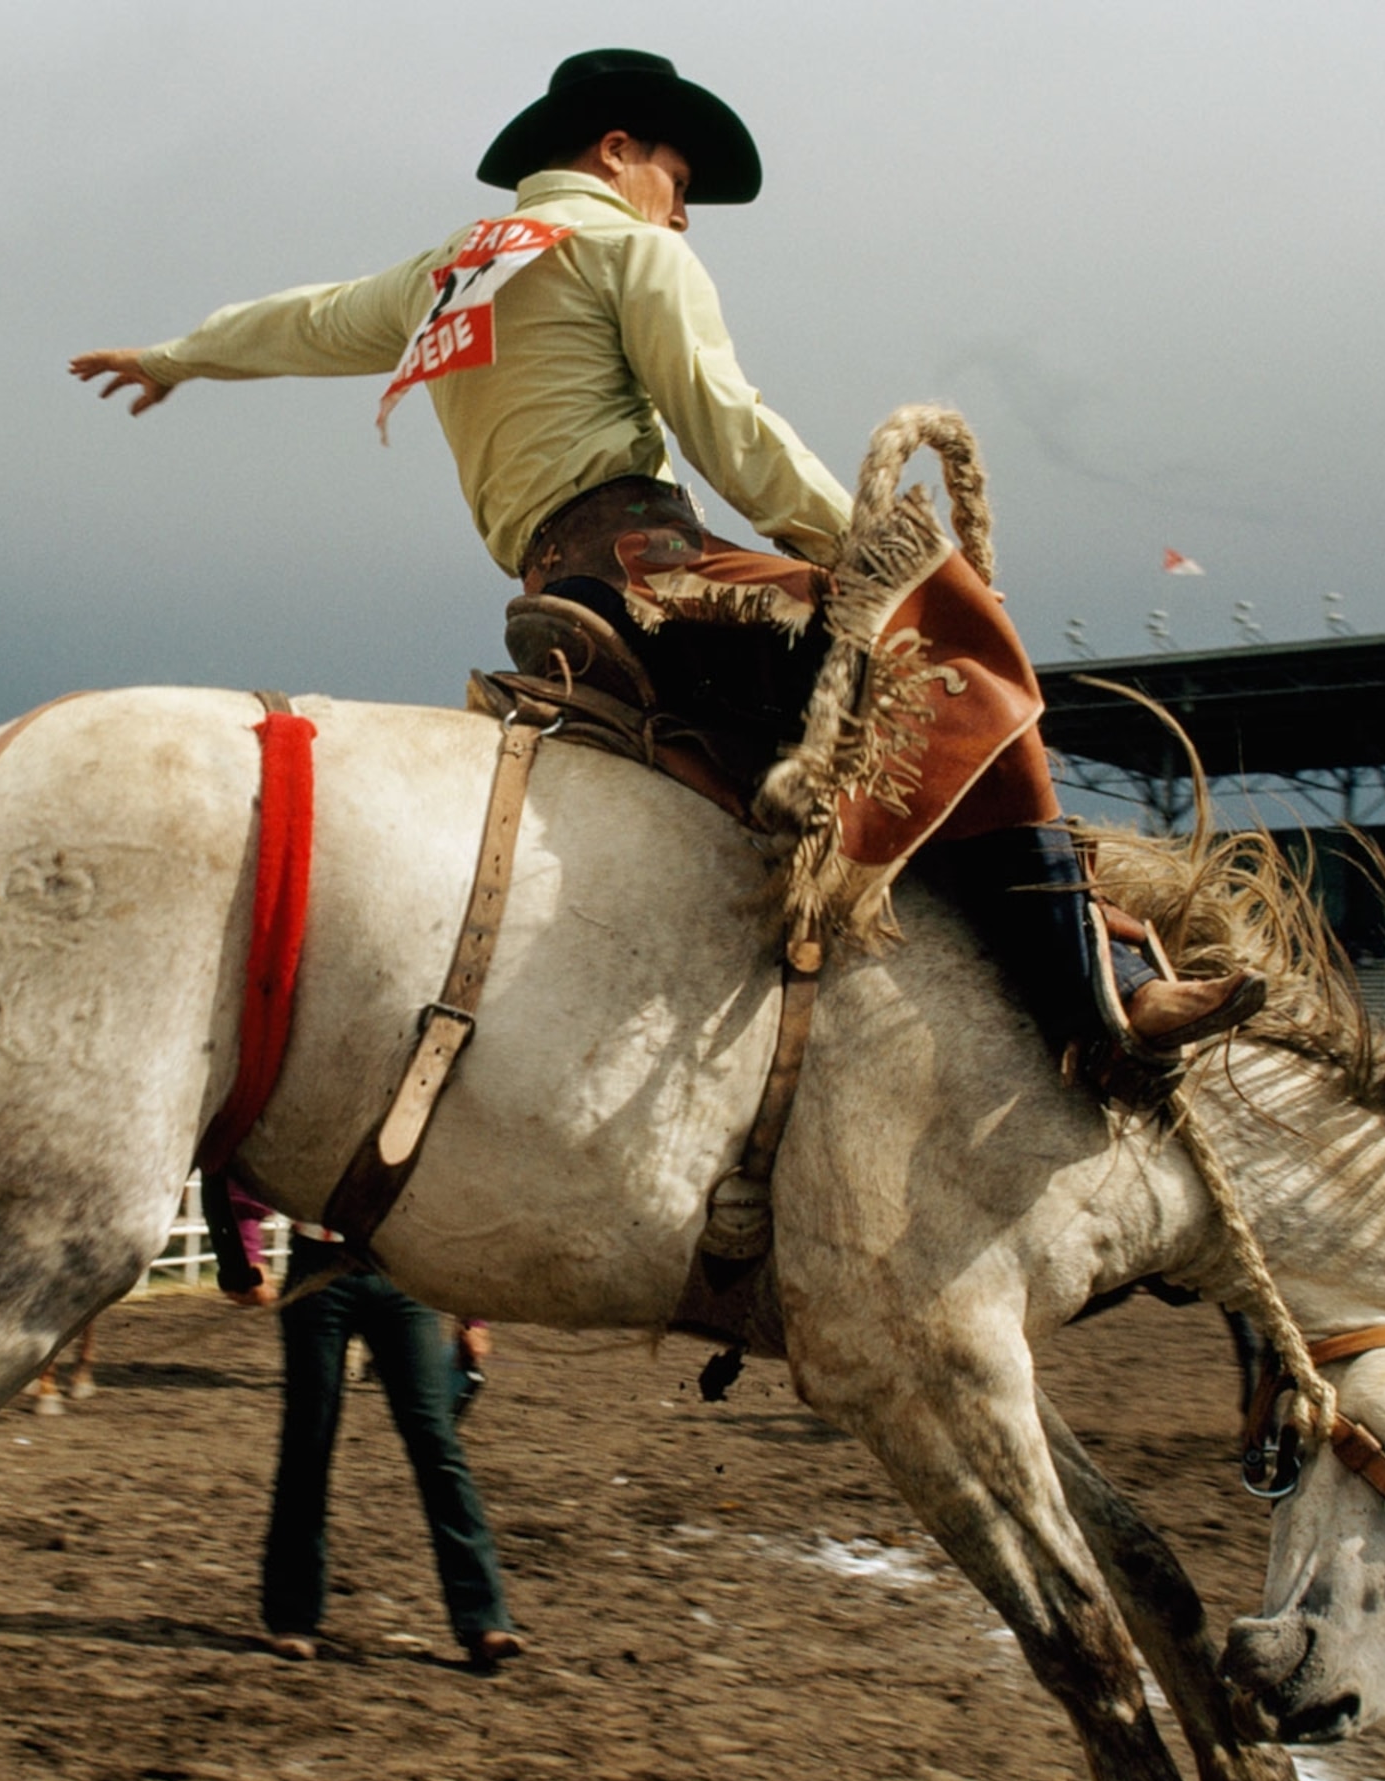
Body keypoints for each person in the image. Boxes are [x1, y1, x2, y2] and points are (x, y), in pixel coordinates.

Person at [73, 49, 1256, 1068]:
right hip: (653, 568)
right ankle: (1099, 986)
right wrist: (879, 548)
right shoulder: (631, 254)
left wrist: (179, 355)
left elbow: (309, 319)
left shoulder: (455, 270)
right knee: (956, 654)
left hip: (553, 586)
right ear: (618, 147)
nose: (683, 214)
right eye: (679, 183)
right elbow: (729, 433)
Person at [248, 1197, 520, 1669]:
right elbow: (247, 1181)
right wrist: (247, 1253)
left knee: (436, 1441)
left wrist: (471, 1315)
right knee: (308, 1440)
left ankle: (484, 1619)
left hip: (401, 1276)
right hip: (318, 1272)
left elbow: (456, 1203)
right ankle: (292, 1617)